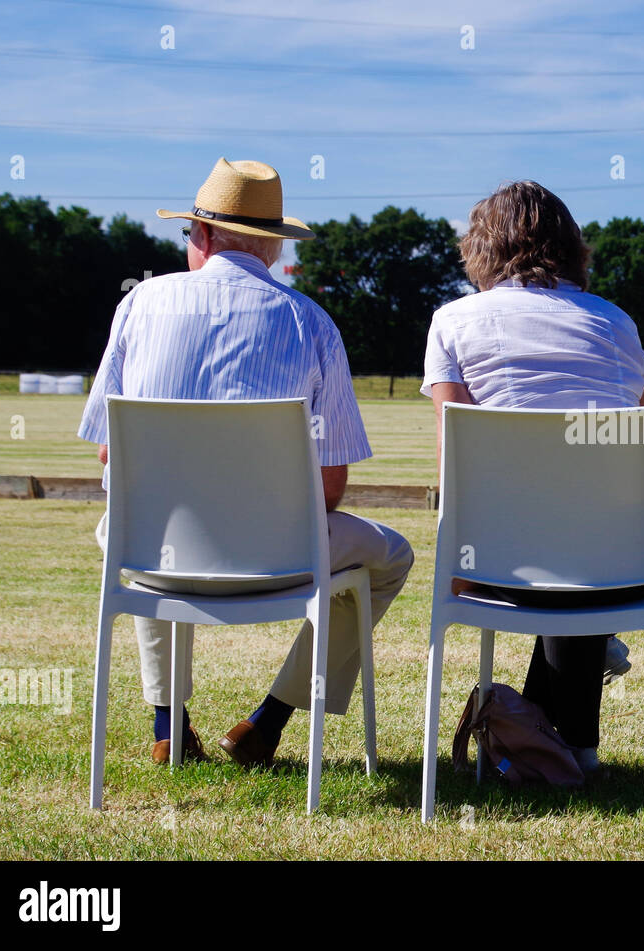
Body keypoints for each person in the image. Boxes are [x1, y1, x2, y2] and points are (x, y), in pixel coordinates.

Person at [78, 158, 414, 767]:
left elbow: (111, 458)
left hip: (153, 553)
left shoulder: (138, 305)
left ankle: (168, 727)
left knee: (132, 517)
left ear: (201, 236)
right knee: (392, 556)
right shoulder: (311, 322)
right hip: (280, 561)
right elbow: (330, 485)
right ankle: (269, 721)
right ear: (275, 250)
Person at [421, 181, 644, 775]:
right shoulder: (617, 323)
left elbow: (454, 463)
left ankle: (557, 746)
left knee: (556, 542)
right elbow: (637, 437)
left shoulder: (452, 322)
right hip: (636, 560)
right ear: (571, 246)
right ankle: (569, 746)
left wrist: (460, 565)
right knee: (579, 540)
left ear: (481, 248)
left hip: (504, 564)